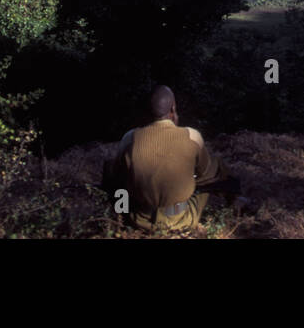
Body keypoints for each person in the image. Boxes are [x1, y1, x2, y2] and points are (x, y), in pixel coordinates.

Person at [103, 85, 241, 233]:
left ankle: (118, 215)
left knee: (111, 170)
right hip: (180, 219)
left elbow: (118, 176)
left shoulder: (129, 138)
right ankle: (235, 200)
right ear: (173, 109)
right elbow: (207, 174)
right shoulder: (192, 136)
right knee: (214, 171)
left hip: (139, 219)